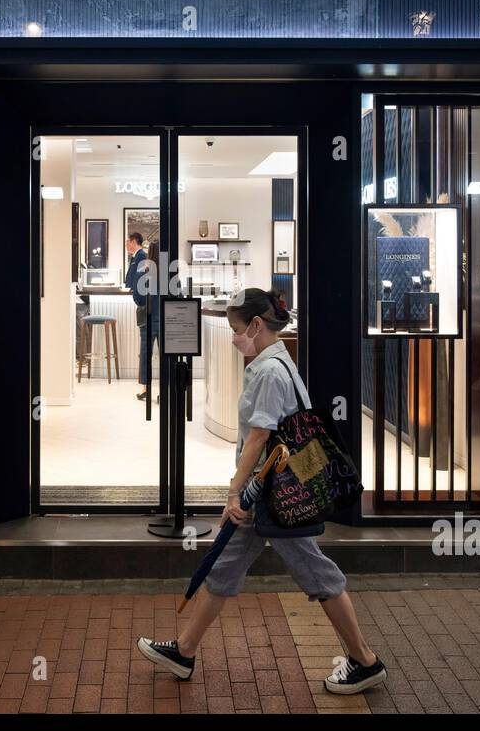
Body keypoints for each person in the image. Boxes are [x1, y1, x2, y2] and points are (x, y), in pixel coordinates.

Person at [137, 288, 387, 695]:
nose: (233, 337)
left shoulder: (269, 372)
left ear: (256, 325)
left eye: (236, 329)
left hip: (275, 497)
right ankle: (183, 651)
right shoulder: (273, 362)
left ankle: (365, 661)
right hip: (267, 493)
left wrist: (234, 493)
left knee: (317, 573)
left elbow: (258, 438)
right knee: (224, 566)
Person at [127, 233, 161, 400]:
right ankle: (165, 390)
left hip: (147, 319)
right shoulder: (171, 272)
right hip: (167, 319)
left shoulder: (143, 271)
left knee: (145, 354)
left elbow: (138, 298)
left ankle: (145, 389)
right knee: (166, 356)